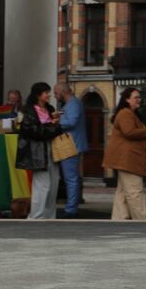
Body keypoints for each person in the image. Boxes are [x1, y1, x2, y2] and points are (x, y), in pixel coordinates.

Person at [102, 87, 146, 220]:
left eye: (139, 97)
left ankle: (119, 219)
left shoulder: (128, 113)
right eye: (136, 97)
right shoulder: (126, 113)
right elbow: (129, 132)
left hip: (125, 159)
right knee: (134, 192)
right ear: (127, 99)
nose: (139, 100)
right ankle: (143, 222)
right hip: (128, 160)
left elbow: (130, 134)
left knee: (122, 193)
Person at [15, 82, 63, 219]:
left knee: (53, 185)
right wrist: (52, 127)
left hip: (51, 149)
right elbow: (34, 131)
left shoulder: (50, 108)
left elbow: (50, 129)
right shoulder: (29, 111)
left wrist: (55, 123)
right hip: (37, 152)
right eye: (46, 92)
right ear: (38, 95)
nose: (49, 95)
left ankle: (49, 216)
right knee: (42, 185)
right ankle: (36, 216)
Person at [54, 83, 87, 218]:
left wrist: (56, 120)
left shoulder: (73, 104)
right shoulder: (72, 104)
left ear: (63, 91)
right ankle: (72, 207)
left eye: (56, 93)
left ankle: (71, 210)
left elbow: (71, 122)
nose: (55, 96)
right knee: (71, 178)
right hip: (72, 144)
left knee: (71, 178)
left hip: (71, 145)